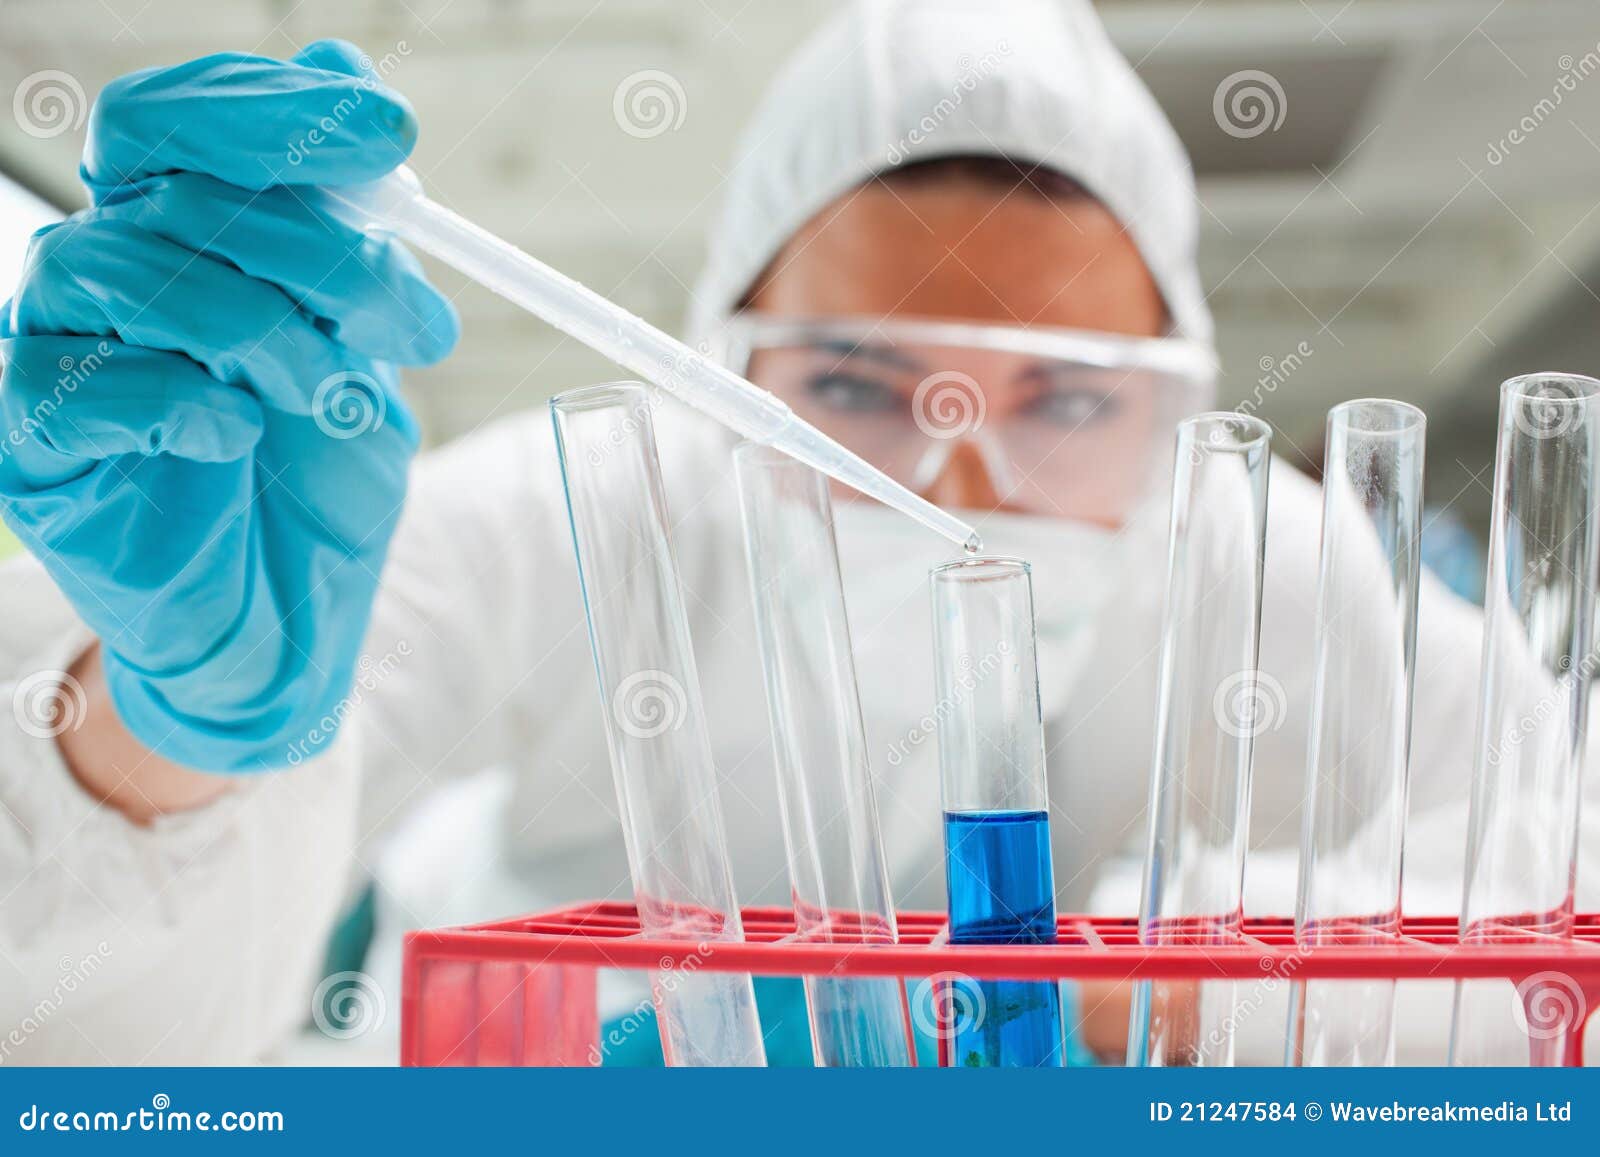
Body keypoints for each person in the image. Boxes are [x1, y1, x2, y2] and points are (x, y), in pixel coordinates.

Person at [0, 0, 1577, 1066]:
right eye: (857, 384)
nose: (957, 488)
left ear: (1181, 408)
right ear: (723, 362)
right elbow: (98, 1042)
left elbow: (1556, 867)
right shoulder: (585, 507)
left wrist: (1137, 984)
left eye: (1069, 402)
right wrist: (159, 728)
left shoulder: (1262, 565)